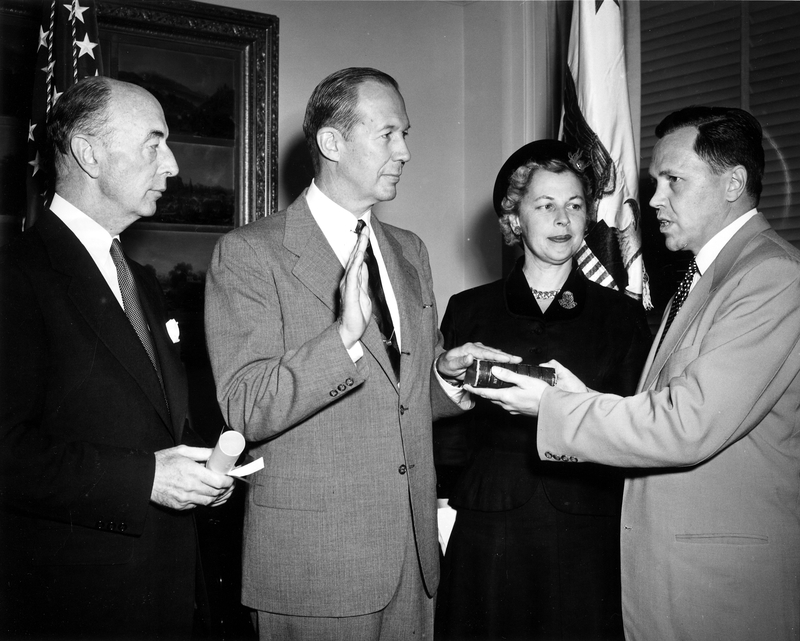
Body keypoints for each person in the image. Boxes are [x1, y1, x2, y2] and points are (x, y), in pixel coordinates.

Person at [204, 67, 516, 640]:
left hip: (413, 560)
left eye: (407, 134)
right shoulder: (250, 255)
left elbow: (399, 397)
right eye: (389, 134)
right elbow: (245, 407)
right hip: (317, 566)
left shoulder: (408, 251)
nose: (405, 150)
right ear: (332, 142)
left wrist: (447, 380)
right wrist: (342, 338)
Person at [467, 107, 800, 641]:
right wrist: (581, 394)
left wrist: (552, 406)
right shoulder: (706, 275)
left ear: (733, 183)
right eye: (654, 182)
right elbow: (658, 399)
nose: (652, 200)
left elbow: (686, 423)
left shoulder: (770, 277)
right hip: (671, 572)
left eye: (673, 181)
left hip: (720, 585)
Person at [0, 76, 235, 639]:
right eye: (154, 143)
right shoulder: (16, 276)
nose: (173, 165)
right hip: (71, 603)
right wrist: (145, 478)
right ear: (89, 153)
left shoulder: (140, 280)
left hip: (165, 590)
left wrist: (200, 471)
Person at [433, 140, 651, 641]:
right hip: (490, 523)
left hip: (587, 524)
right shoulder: (470, 308)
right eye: (545, 205)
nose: (562, 219)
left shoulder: (621, 316)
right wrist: (446, 503)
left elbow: (638, 422)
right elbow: (450, 427)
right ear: (514, 218)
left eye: (574, 206)